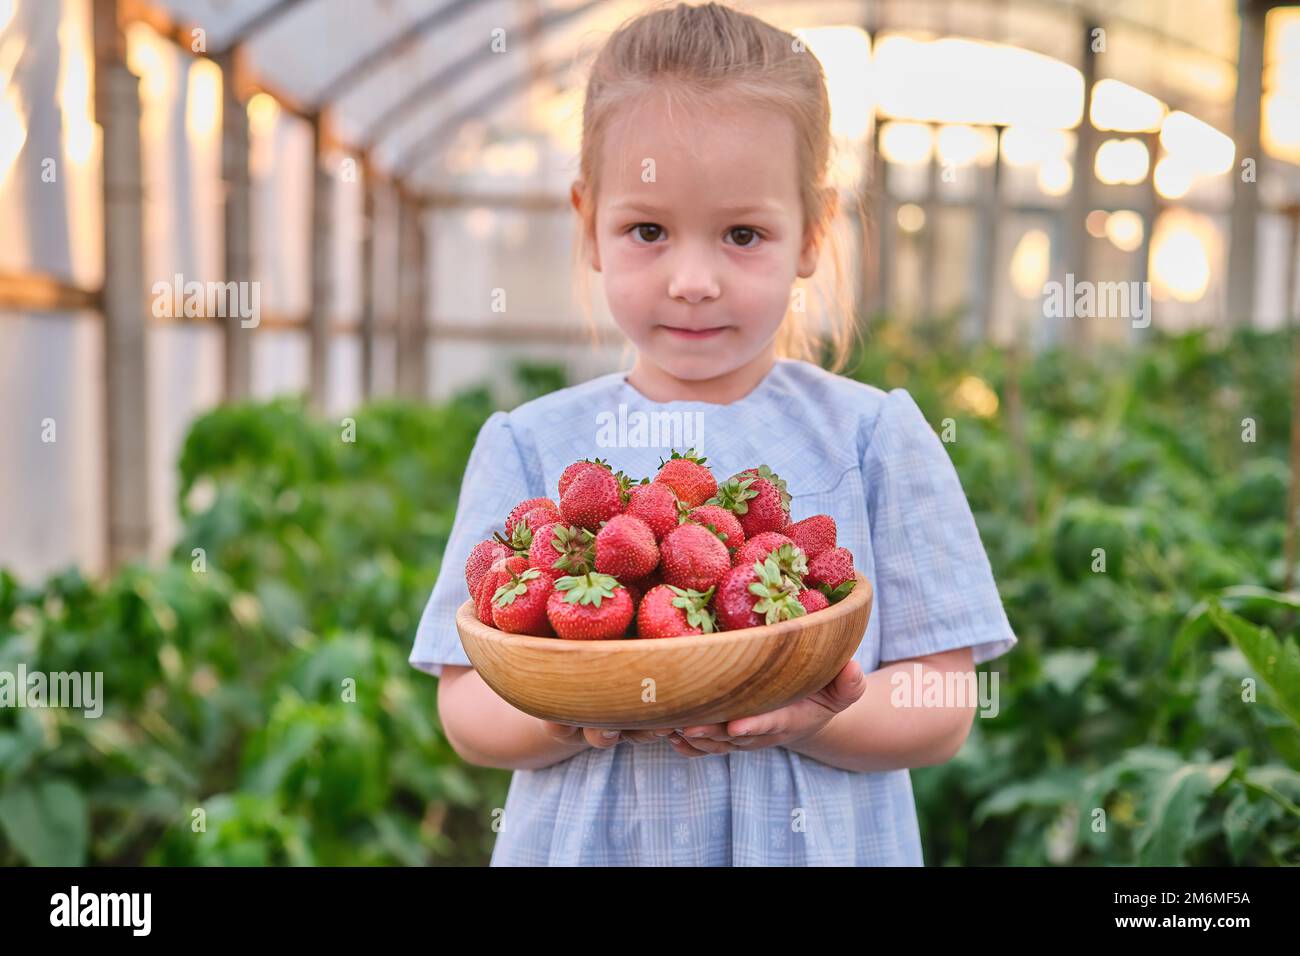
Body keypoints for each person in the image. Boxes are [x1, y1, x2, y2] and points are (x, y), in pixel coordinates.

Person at [410, 1, 1017, 865]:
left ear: (811, 231)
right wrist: (573, 702)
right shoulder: (531, 446)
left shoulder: (873, 437)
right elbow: (466, 702)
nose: (693, 280)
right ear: (589, 225)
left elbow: (942, 699)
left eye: (743, 234)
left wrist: (810, 716)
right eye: (647, 230)